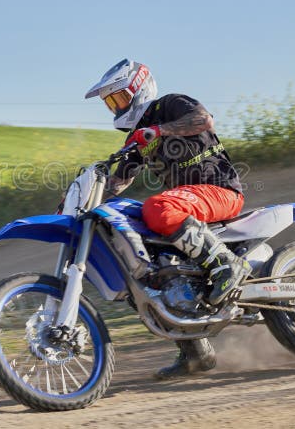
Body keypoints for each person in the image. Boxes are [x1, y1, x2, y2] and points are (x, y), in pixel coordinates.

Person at [85, 58, 251, 380]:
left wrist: (159, 130)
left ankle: (226, 265)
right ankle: (195, 351)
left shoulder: (170, 105)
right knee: (140, 263)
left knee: (157, 208)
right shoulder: (137, 139)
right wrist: (92, 192)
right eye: (111, 103)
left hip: (218, 190)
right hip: (190, 205)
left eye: (118, 98)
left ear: (137, 88)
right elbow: (121, 180)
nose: (115, 107)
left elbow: (204, 120)